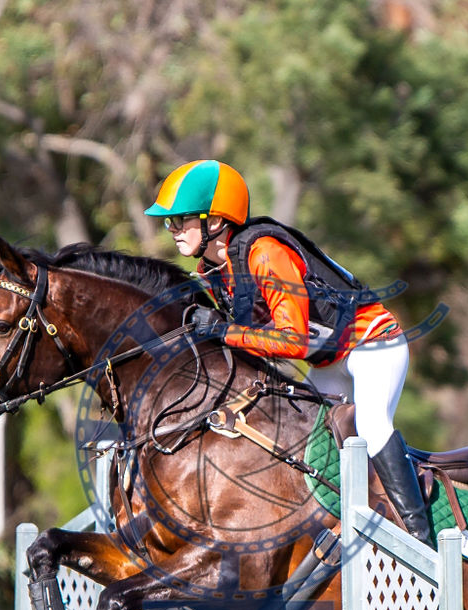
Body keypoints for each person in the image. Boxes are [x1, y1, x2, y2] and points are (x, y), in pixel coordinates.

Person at [144, 159, 432, 545]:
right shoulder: (217, 267)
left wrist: (225, 332)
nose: (174, 231)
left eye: (181, 220)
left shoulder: (264, 254)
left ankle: (420, 538)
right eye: (171, 223)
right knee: (301, 434)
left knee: (371, 426)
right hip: (328, 361)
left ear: (214, 222)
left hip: (374, 345)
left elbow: (292, 341)